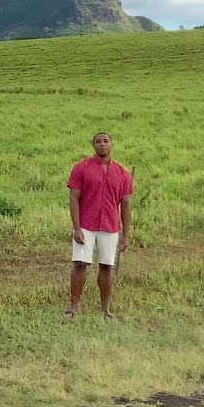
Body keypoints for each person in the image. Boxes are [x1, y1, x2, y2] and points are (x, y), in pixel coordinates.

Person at [66, 131, 133, 319]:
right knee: (80, 264)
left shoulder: (122, 173)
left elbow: (126, 205)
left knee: (106, 266)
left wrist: (125, 234)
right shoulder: (81, 168)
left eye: (105, 141)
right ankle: (73, 307)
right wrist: (77, 227)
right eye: (98, 141)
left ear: (112, 145)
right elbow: (74, 199)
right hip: (86, 224)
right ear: (93, 145)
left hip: (110, 226)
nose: (102, 144)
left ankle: (105, 309)